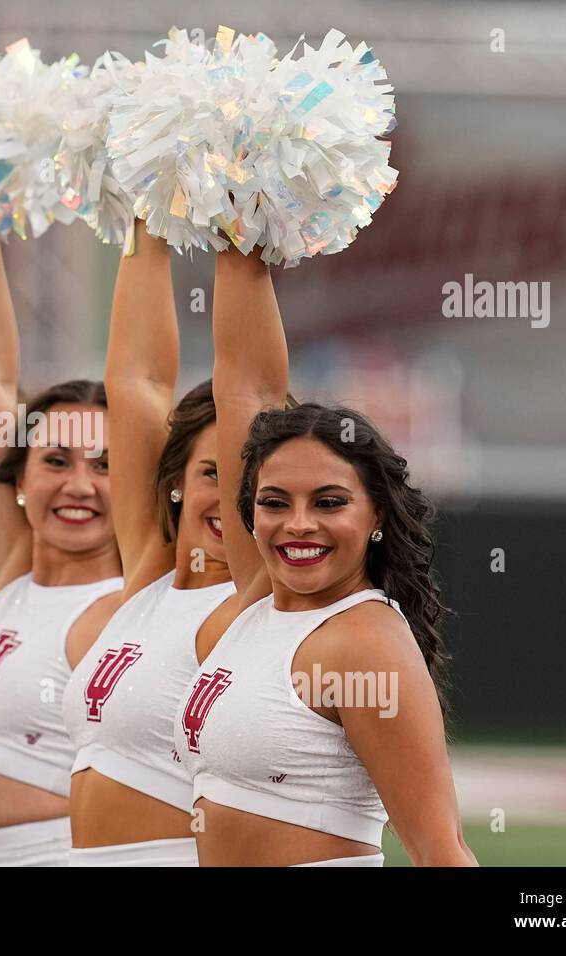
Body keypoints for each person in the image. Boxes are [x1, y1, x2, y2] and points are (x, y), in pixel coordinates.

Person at [175, 251, 477, 866]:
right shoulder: (258, 600)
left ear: (378, 517)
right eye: (275, 502)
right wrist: (239, 231)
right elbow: (244, 386)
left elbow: (439, 848)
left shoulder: (365, 642)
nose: (299, 524)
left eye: (330, 501)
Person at [63, 224, 286, 866]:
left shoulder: (251, 598)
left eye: (243, 477)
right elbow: (134, 380)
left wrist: (243, 225)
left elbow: (252, 388)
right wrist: (148, 211)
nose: (227, 497)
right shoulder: (149, 578)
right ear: (177, 485)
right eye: (208, 474)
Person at [0, 242, 124, 866]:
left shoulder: (130, 603)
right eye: (57, 461)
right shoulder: (7, 573)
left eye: (105, 466)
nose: (78, 485)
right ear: (17, 479)